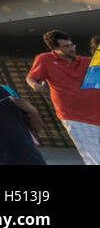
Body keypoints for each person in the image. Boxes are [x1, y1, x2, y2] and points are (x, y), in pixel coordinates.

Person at [26, 30, 100, 164]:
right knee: (95, 158)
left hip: (97, 114)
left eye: (72, 45)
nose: (72, 48)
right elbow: (31, 77)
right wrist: (34, 85)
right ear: (55, 49)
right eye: (66, 46)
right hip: (74, 117)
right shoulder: (45, 59)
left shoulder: (86, 62)